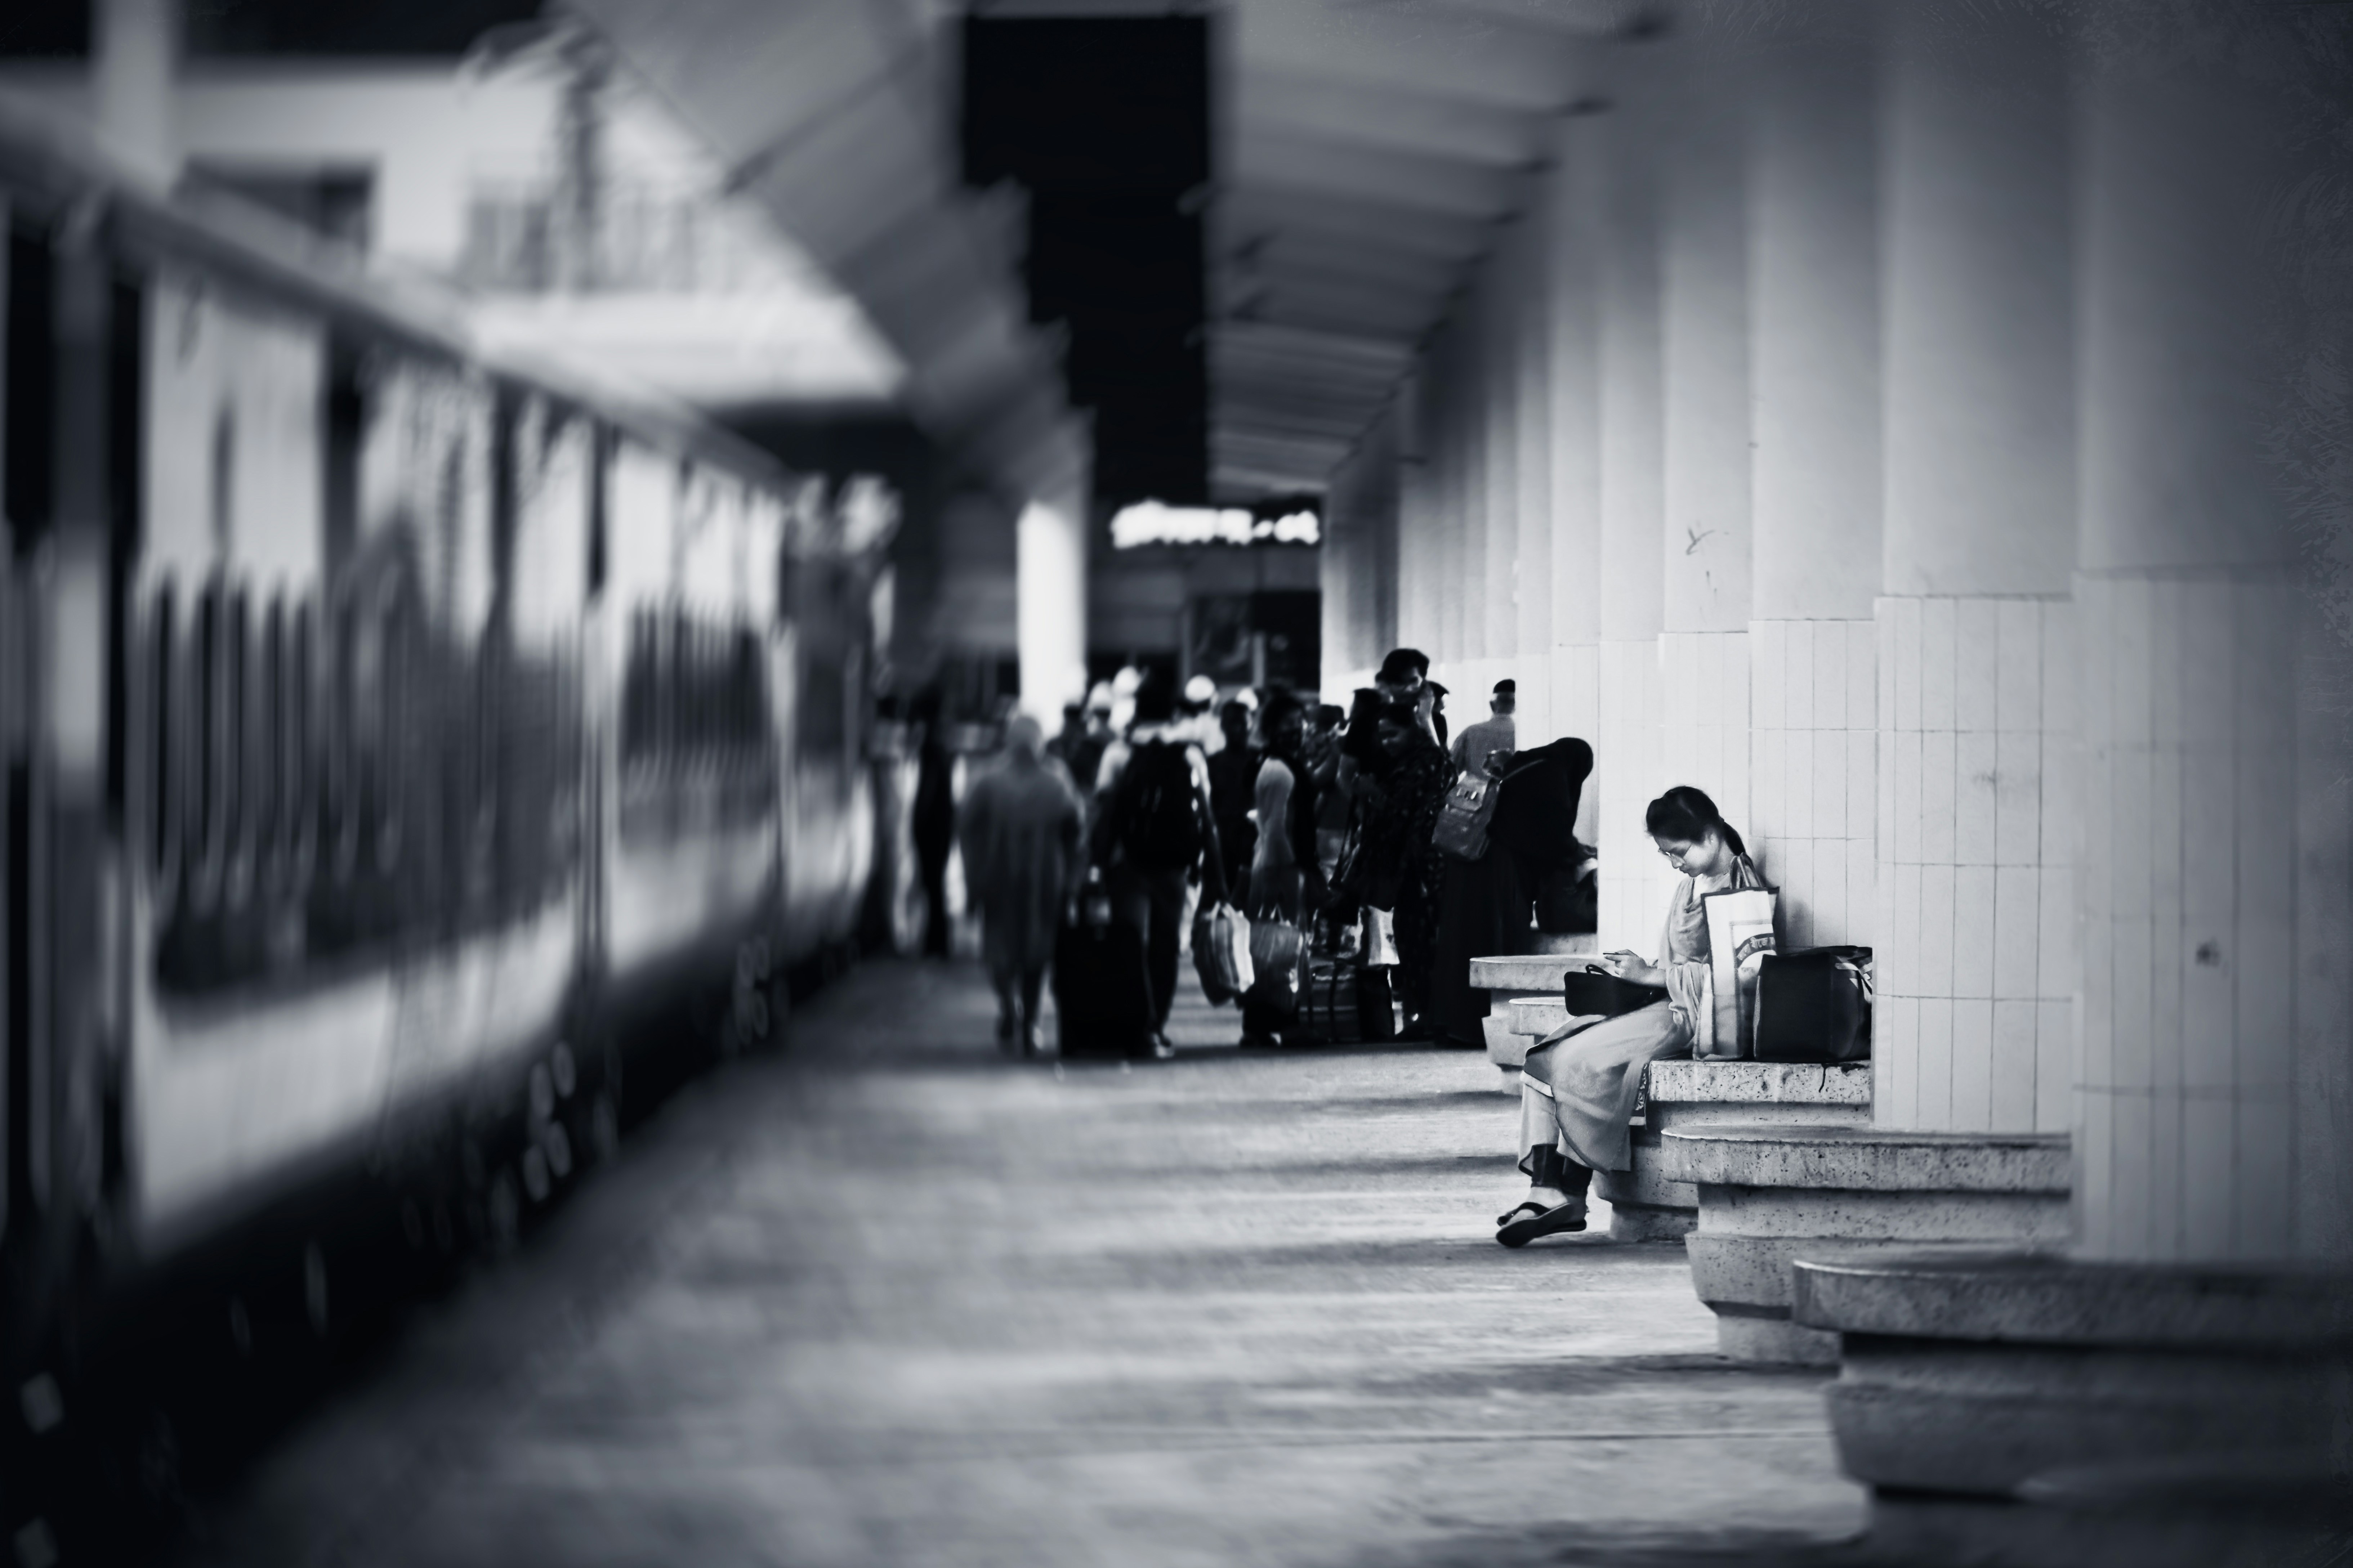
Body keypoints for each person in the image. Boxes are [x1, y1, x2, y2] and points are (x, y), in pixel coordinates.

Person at [1496, 785, 1766, 1246]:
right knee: (1546, 1052)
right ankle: (1547, 1191)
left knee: (1577, 1060)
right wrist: (1637, 972)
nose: (1675, 863)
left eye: (1679, 851)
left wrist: (1650, 977)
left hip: (1692, 1018)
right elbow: (1681, 962)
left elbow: (1743, 978)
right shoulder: (1691, 884)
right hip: (1661, 1004)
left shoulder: (1742, 889)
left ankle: (1567, 1194)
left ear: (1711, 833)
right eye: (1667, 855)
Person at [1091, 674, 1229, 1056]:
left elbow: (1103, 812)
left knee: (1130, 943)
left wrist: (1096, 863)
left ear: (1135, 709)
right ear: (1172, 711)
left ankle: (1136, 1024)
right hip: (1172, 865)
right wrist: (1214, 872)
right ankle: (1155, 1027)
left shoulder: (1118, 754)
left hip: (1127, 864)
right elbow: (1206, 818)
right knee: (1165, 946)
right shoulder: (1189, 754)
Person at [1427, 735, 1594, 1048]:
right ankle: (1476, 1029)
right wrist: (1578, 853)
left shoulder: (1525, 767)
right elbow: (1551, 834)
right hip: (1499, 873)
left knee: (1459, 943)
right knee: (1491, 941)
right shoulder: (1550, 775)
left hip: (1470, 864)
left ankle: (1450, 1024)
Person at [957, 716, 1086, 1056]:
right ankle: (1028, 1020)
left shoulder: (989, 781)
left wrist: (973, 879)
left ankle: (1012, 1007)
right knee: (1036, 956)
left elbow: (968, 830)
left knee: (1000, 952)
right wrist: (1073, 882)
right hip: (1044, 882)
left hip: (998, 880)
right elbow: (1077, 832)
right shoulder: (1056, 782)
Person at [1345, 689, 1456, 1038]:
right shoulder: (1411, 763)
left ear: (1414, 730)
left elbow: (1406, 819)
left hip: (1422, 872)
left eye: (1394, 733)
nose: (1387, 742)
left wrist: (1372, 795)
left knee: (1421, 945)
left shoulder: (1426, 764)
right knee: (1410, 944)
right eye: (1382, 735)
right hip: (1410, 873)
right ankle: (1423, 1017)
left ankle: (1430, 1018)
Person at [1240, 690, 1323, 1048]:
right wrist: (1292, 874)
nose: (1298, 730)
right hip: (1279, 868)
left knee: (1271, 948)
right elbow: (1276, 828)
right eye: (1289, 724)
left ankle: (1259, 1025)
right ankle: (1285, 1023)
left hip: (1276, 866)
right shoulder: (1279, 770)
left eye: (1299, 723)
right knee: (1283, 948)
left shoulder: (1280, 764)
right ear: (1272, 728)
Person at [909, 686, 957, 959]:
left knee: (933, 885)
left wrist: (918, 821)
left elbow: (928, 789)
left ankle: (936, 942)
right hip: (942, 826)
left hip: (932, 829)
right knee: (935, 884)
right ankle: (938, 940)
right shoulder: (942, 742)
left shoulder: (931, 745)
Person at [1205, 699, 1260, 900]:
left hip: (1253, 840)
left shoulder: (1260, 759)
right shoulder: (1211, 763)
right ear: (1223, 726)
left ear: (1251, 725)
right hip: (1223, 841)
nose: (1237, 730)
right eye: (1232, 724)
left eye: (1242, 723)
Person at [1451, 680, 1518, 780]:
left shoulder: (1471, 732)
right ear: (1517, 706)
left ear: (1492, 705)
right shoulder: (1527, 736)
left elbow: (1451, 770)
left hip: (1477, 795)